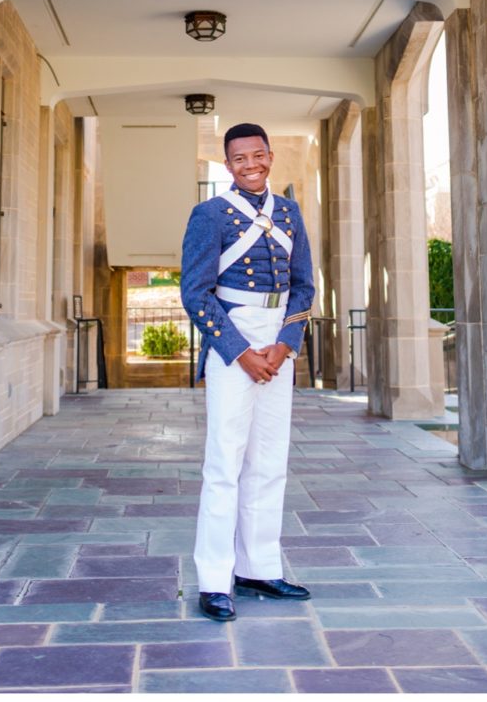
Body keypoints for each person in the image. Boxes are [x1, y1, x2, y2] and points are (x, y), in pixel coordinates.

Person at [181, 122, 315, 622]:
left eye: (258, 155)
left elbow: (304, 286)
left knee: (270, 458)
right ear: (228, 164)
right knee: (224, 462)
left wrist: (284, 345)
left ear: (271, 156)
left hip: (278, 340)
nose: (251, 164)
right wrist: (241, 352)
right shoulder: (209, 214)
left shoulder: (289, 212)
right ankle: (215, 578)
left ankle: (259, 566)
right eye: (240, 158)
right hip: (231, 338)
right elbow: (195, 292)